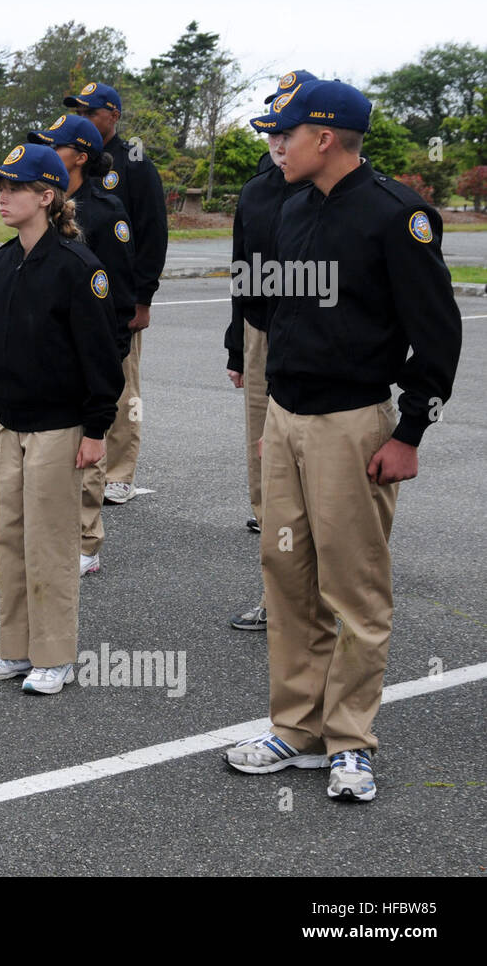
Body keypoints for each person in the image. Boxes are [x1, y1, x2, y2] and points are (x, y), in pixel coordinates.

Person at [223, 81, 461, 803]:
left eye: (285, 134)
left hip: (353, 425)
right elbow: (278, 314)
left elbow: (437, 333)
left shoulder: (398, 217)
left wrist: (410, 431)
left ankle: (350, 742)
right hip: (288, 423)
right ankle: (296, 728)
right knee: (288, 580)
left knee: (353, 590)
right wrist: (273, 426)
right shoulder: (293, 206)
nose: (275, 146)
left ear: (324, 138)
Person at [0, 143, 122, 694]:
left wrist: (97, 428)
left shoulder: (79, 266)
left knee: (50, 541)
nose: (2, 196)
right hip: (9, 421)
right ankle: (16, 648)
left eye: (14, 188)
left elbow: (103, 355)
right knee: (10, 536)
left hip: (60, 424)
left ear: (47, 195)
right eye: (0, 187)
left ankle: (54, 654)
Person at [223, 70, 317, 631]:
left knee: (319, 481)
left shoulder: (332, 192)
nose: (278, 142)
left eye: (290, 129)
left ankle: (322, 594)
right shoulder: (258, 191)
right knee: (267, 472)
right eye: (271, 129)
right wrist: (238, 342)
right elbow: (243, 268)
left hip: (315, 343)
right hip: (262, 335)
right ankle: (276, 592)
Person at [27, 116, 136, 577]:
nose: (48, 150)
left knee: (87, 450)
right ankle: (52, 537)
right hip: (49, 355)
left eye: (56, 145)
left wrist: (106, 359)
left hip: (89, 352)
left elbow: (119, 298)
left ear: (81, 156)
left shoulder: (106, 214)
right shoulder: (45, 206)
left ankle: (87, 541)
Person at [63, 82, 168, 504]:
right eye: (78, 112)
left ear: (113, 116)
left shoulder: (135, 164)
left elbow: (152, 233)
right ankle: (86, 460)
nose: (83, 118)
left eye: (90, 112)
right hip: (76, 295)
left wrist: (143, 298)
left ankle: (120, 471)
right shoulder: (69, 164)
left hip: (118, 296)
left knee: (121, 387)